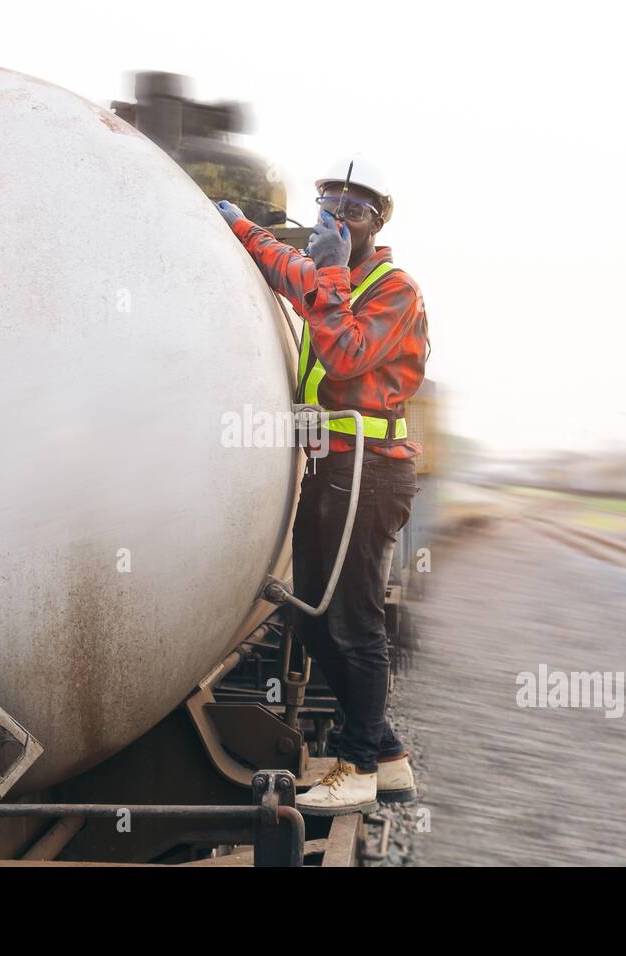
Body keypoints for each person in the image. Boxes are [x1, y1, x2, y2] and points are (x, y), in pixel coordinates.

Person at [216, 155, 428, 815]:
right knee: (311, 618)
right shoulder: (327, 277)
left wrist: (328, 269)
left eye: (352, 211)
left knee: (355, 621)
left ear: (375, 224)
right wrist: (241, 227)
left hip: (372, 468)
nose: (335, 219)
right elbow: (285, 267)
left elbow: (344, 354)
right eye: (328, 206)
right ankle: (386, 755)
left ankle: (358, 764)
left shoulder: (397, 290)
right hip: (334, 467)